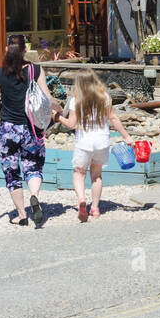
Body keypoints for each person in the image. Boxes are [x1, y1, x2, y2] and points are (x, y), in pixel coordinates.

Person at [0, 33, 59, 227]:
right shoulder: (35, 70)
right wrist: (59, 110)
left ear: (7, 49)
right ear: (25, 50)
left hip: (7, 129)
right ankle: (34, 196)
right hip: (31, 128)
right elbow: (47, 98)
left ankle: (21, 214)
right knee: (32, 166)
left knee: (12, 172)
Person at [59, 71, 135, 222]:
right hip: (102, 141)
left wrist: (58, 117)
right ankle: (95, 208)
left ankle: (81, 199)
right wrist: (127, 137)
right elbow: (113, 117)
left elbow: (71, 124)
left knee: (79, 173)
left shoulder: (76, 100)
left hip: (84, 142)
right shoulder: (104, 97)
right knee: (96, 176)